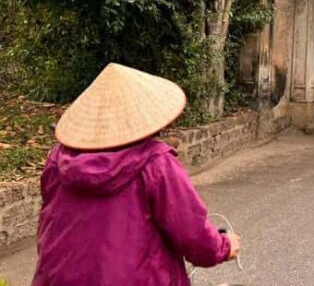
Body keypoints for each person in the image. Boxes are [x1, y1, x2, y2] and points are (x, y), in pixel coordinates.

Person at [33, 63, 241, 286]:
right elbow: (193, 235)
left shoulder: (57, 160)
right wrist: (225, 246)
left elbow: (50, 221)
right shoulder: (156, 163)